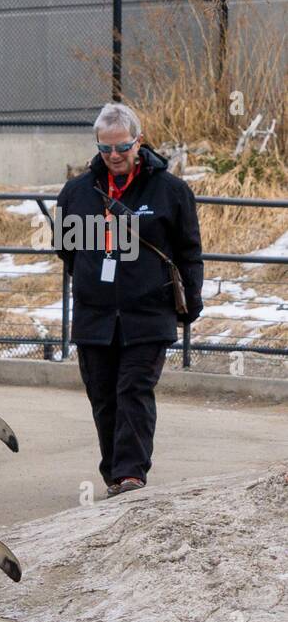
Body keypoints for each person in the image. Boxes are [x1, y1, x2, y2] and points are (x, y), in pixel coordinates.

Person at [56, 102, 204, 497]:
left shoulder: (171, 191)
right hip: (95, 317)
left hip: (148, 313)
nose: (114, 156)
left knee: (133, 391)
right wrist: (94, 279)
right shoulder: (77, 192)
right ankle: (113, 471)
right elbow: (66, 251)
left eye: (122, 147)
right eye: (105, 149)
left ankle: (131, 474)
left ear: (138, 142)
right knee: (103, 396)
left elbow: (189, 252)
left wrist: (191, 302)